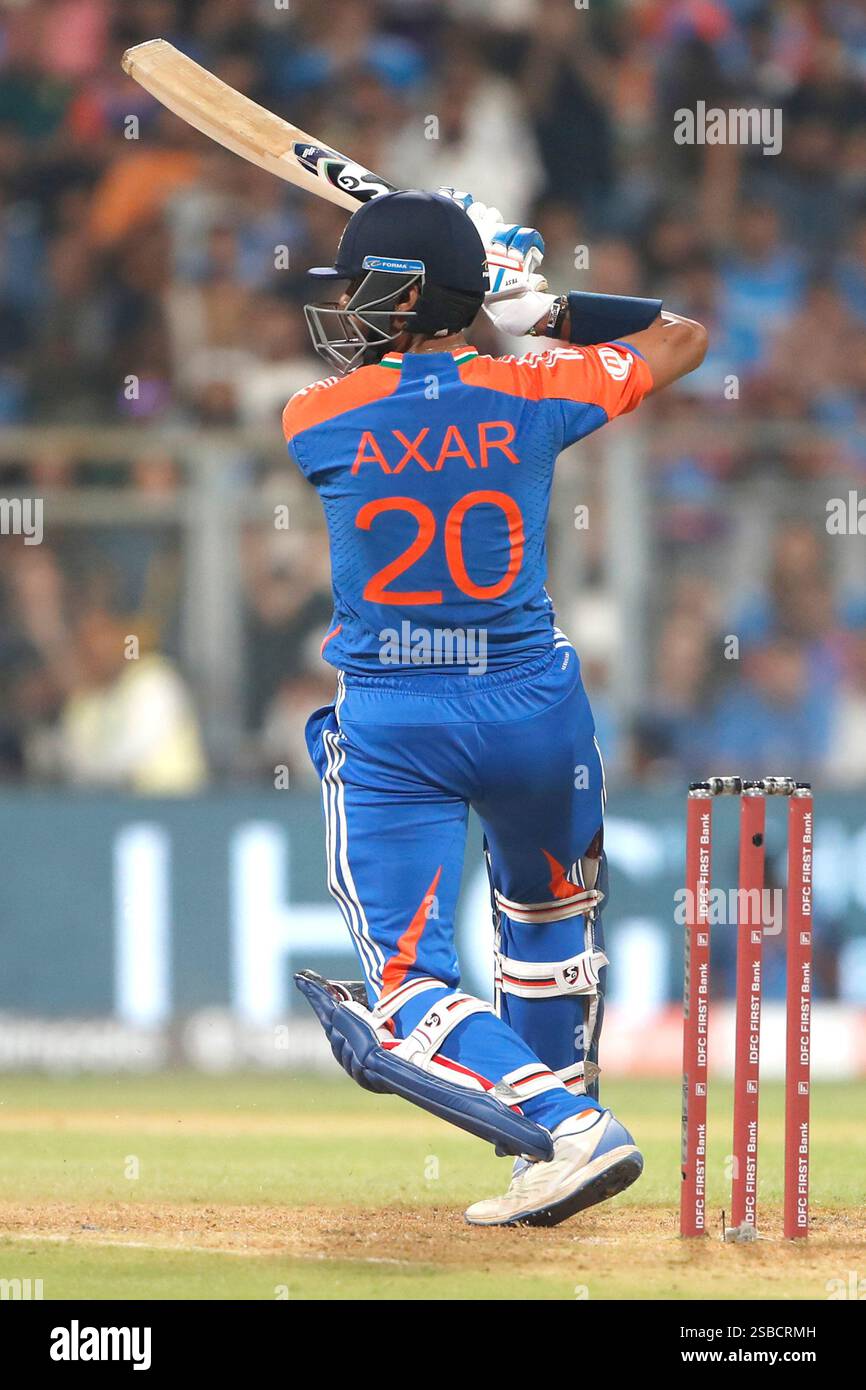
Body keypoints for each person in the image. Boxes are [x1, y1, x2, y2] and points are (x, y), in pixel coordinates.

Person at [285, 190, 706, 1227]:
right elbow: (681, 335)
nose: (343, 303)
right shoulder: (536, 389)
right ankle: (552, 1147)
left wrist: (484, 308)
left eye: (360, 287)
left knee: (402, 986)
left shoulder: (314, 418)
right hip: (535, 710)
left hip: (399, 720)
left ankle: (565, 1129)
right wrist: (544, 308)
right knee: (546, 925)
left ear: (405, 299)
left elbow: (392, 389)